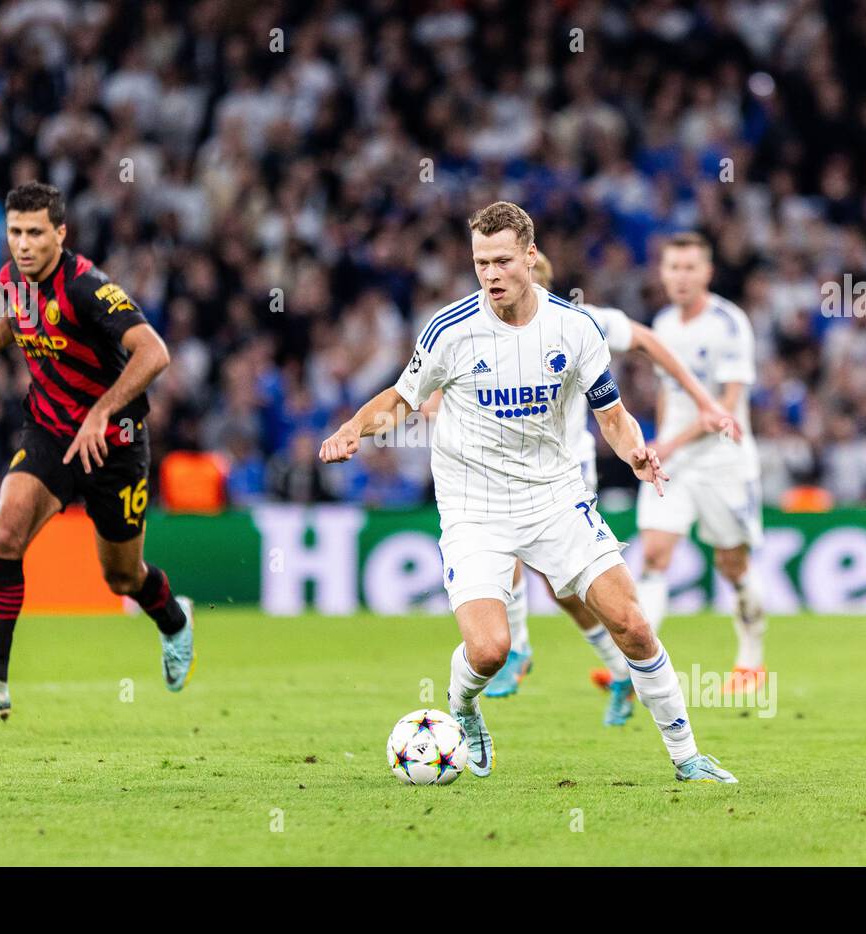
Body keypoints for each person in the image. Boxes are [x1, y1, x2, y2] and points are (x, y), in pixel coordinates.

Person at [319, 201, 737, 783]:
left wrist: (636, 451)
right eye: (480, 262)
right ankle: (463, 709)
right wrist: (351, 429)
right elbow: (399, 399)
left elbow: (612, 416)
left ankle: (688, 756)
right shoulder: (450, 330)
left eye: (501, 261)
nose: (490, 274)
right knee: (490, 651)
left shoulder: (576, 327)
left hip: (555, 498)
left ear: (530, 256)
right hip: (474, 509)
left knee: (635, 625)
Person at [0, 181, 194, 723]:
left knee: (121, 577)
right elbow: (15, 324)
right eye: (15, 232)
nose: (23, 244)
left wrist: (103, 410)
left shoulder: (89, 288)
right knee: (6, 532)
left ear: (60, 233)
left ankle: (172, 619)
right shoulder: (11, 278)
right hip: (50, 433)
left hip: (113, 446)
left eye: (34, 233)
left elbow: (155, 351)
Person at [484, 251, 738, 729]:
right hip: (510, 468)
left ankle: (526, 651)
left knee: (559, 577)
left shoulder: (580, 322)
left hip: (567, 466)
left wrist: (702, 399)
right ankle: (596, 665)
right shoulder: (480, 327)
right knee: (545, 574)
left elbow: (647, 341)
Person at [635, 233, 768, 694]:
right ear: (662, 272)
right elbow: (665, 393)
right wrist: (657, 443)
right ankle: (638, 668)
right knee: (653, 554)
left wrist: (669, 445)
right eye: (673, 267)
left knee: (731, 565)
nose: (681, 276)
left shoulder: (729, 324)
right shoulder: (662, 323)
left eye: (690, 267)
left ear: (707, 272)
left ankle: (751, 656)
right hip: (674, 463)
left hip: (722, 462)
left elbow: (726, 409)